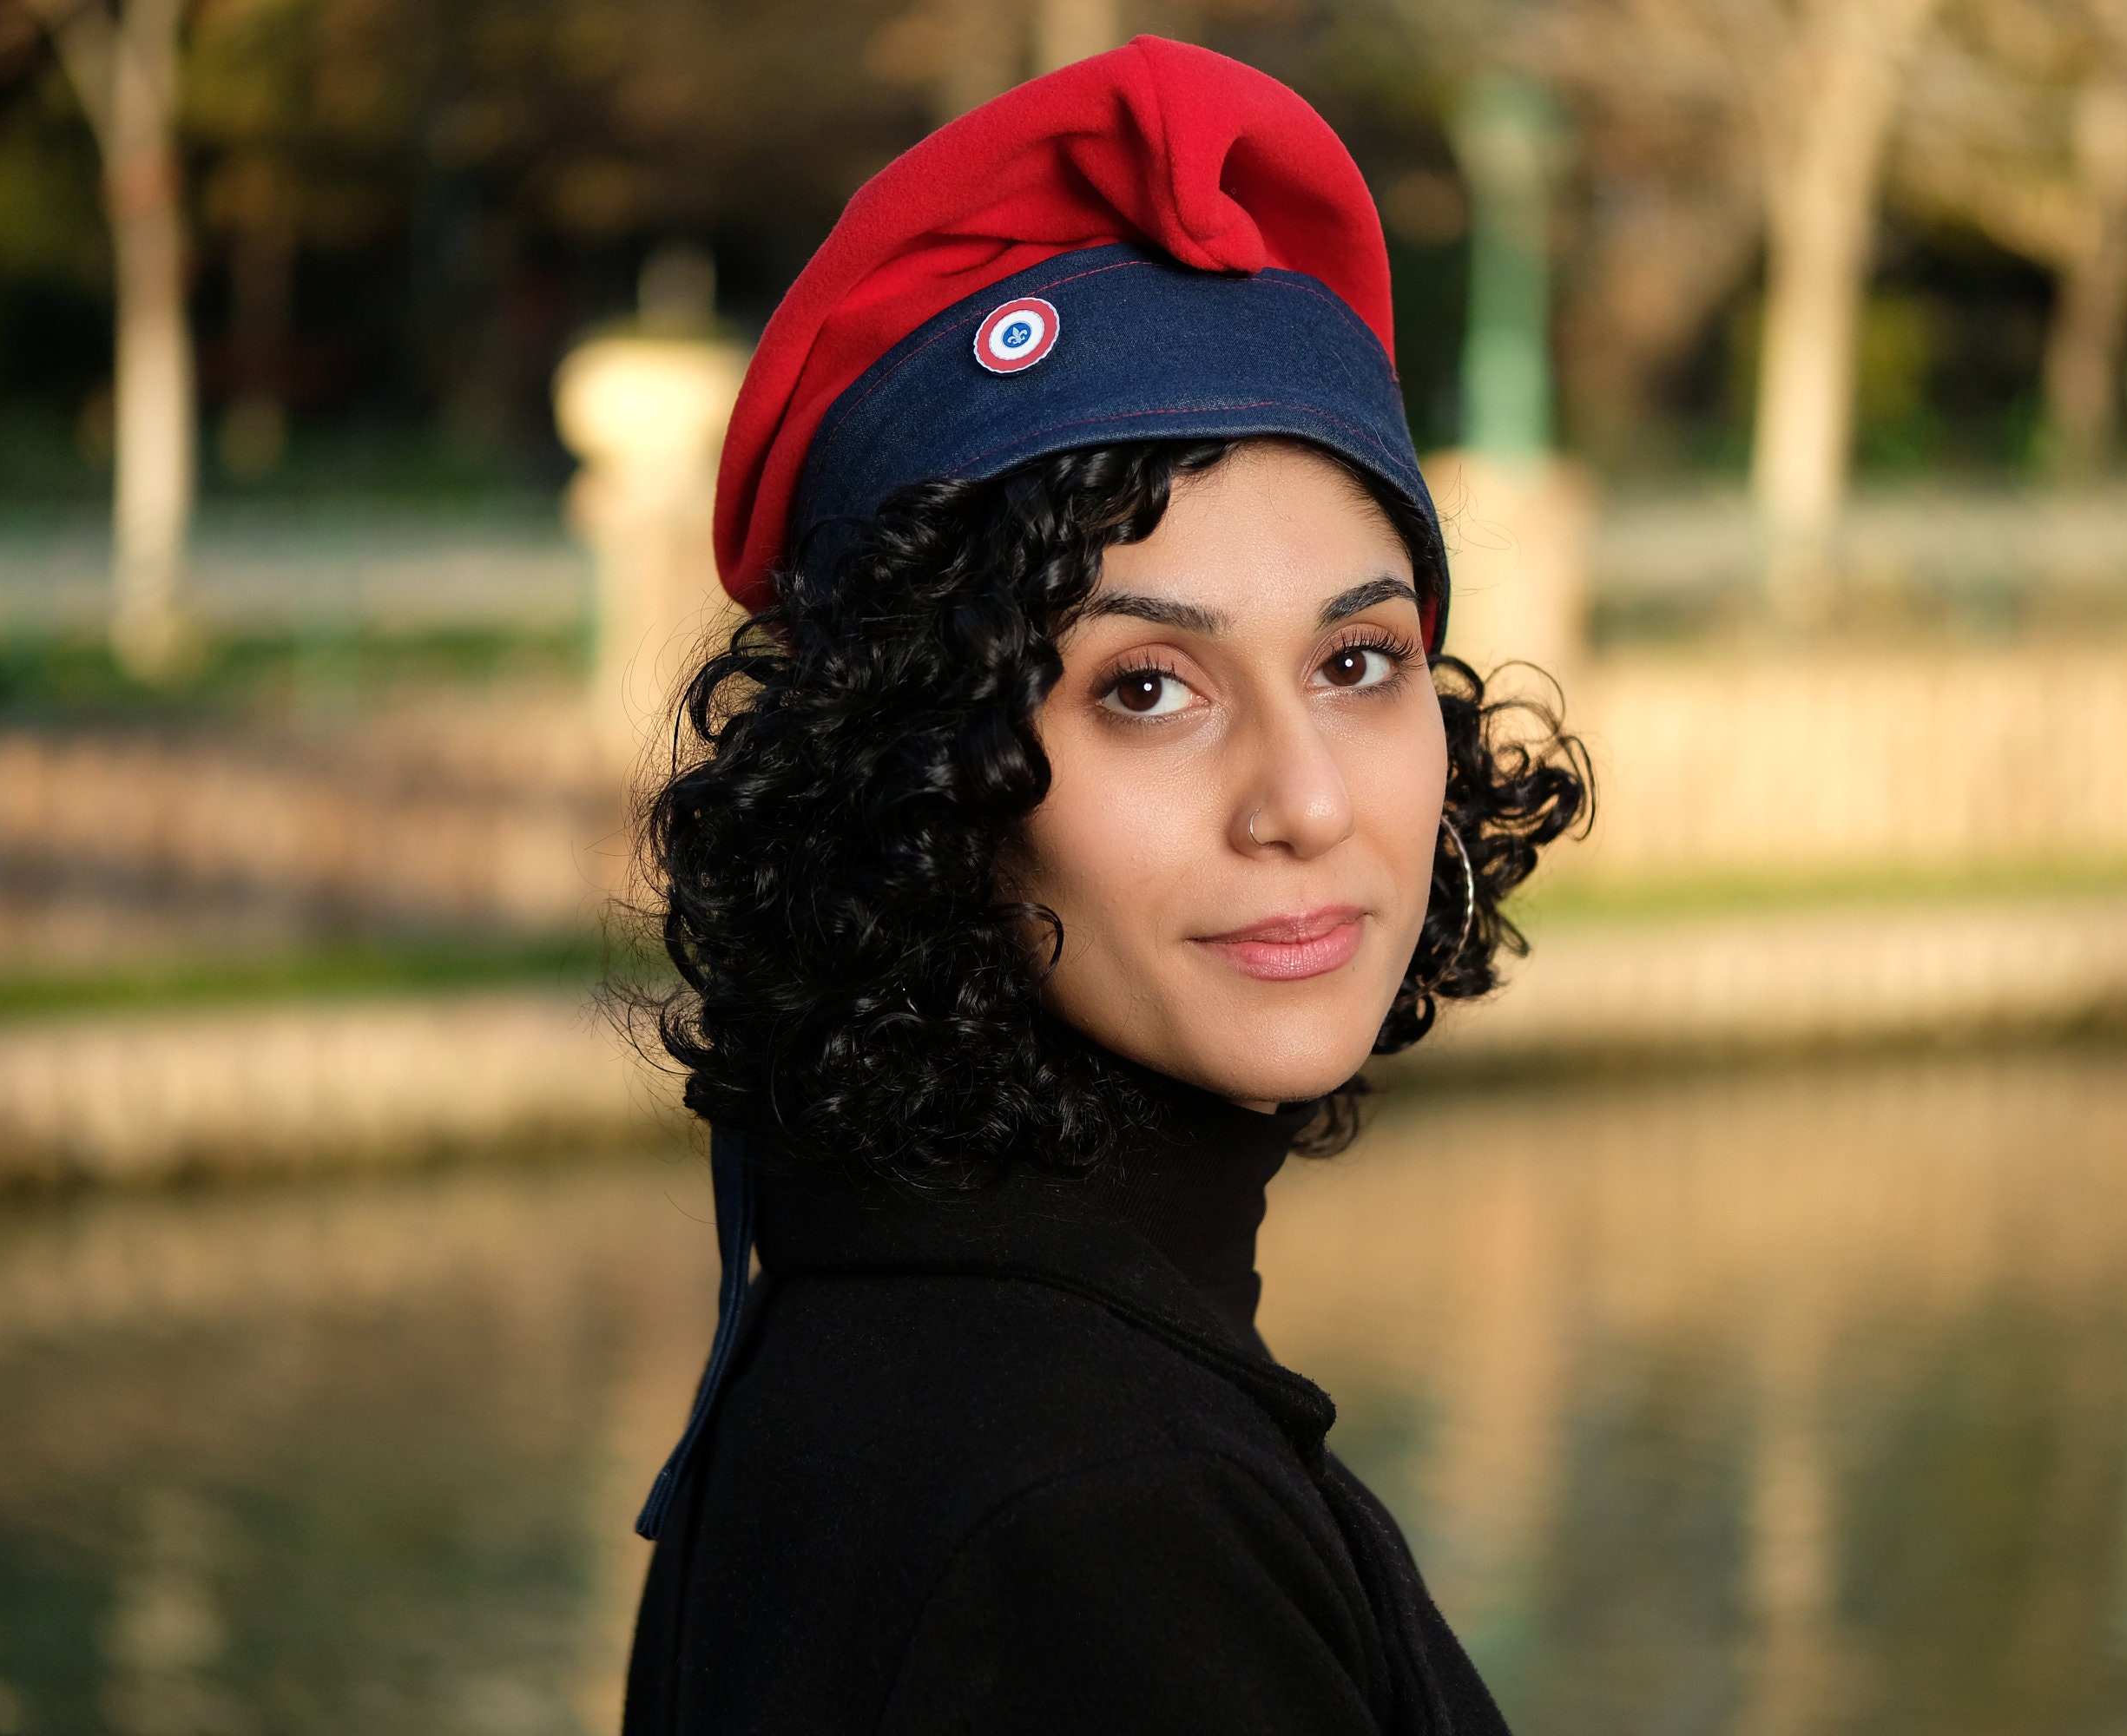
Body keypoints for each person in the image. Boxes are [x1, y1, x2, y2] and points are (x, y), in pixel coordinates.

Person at [621, 37, 1587, 1734]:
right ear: (922, 777)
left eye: (1358, 661)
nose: (1303, 799)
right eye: (1147, 687)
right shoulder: (1102, 1518)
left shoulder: (896, 1337)